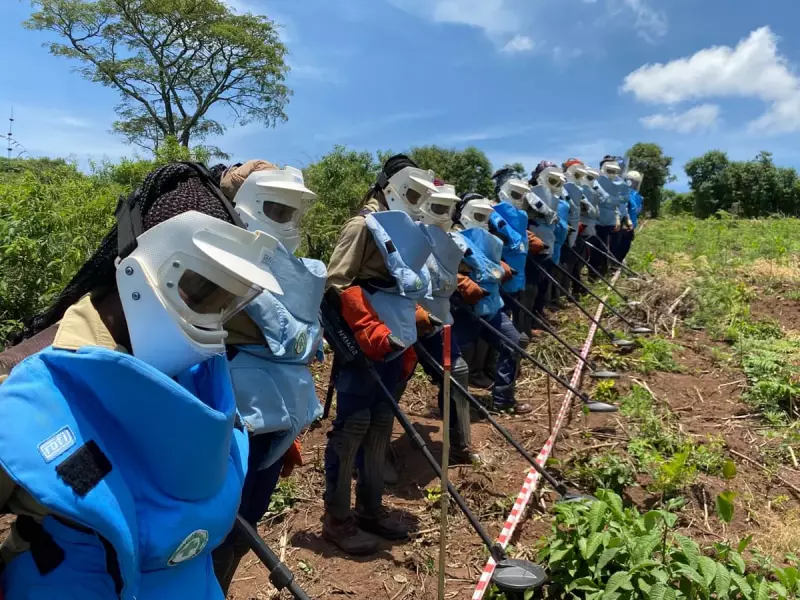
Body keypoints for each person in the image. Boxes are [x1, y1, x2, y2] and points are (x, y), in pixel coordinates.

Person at [0, 163, 284, 600]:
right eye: (202, 291)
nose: (211, 317)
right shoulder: (26, 385)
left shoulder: (199, 372)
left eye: (225, 301)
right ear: (141, 268)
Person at [212, 160, 327, 592]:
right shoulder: (215, 251)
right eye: (279, 208)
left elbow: (301, 348)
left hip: (280, 407)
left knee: (251, 514)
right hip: (232, 409)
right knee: (219, 523)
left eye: (293, 210)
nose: (289, 220)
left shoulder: (291, 265)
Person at [322, 154, 434, 555]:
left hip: (398, 338)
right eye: (412, 191)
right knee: (352, 427)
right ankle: (337, 519)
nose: (417, 200)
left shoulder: (407, 230)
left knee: (380, 427)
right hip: (365, 340)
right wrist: (367, 327)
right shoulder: (361, 226)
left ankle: (370, 509)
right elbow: (336, 280)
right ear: (391, 186)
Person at [411, 180, 481, 464]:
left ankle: (460, 444)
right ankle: (375, 457)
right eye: (437, 205)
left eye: (447, 206)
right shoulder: (408, 232)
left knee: (458, 373)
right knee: (391, 388)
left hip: (439, 322)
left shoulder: (454, 239)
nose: (442, 211)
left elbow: (470, 264)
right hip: (405, 320)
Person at [450, 193, 533, 415]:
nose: (483, 220)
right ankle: (454, 410)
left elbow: (492, 260)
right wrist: (462, 281)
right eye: (478, 215)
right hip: (463, 311)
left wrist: (501, 265)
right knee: (458, 363)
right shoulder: (452, 237)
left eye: (486, 216)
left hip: (492, 306)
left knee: (513, 343)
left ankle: (503, 400)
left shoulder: (488, 237)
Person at [489, 168, 531, 343]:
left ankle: (516, 339)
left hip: (519, 272)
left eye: (522, 194)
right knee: (501, 314)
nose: (519, 198)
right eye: (516, 193)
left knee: (515, 307)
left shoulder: (522, 215)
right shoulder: (493, 212)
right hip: (502, 273)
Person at [527, 162, 562, 320]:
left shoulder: (553, 197)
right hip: (534, 246)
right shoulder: (529, 193)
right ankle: (531, 318)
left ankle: (539, 311)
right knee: (532, 285)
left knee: (543, 283)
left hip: (549, 243)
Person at [563, 160, 598, 296]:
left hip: (581, 230)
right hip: (567, 230)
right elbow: (569, 206)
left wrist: (586, 207)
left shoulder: (580, 190)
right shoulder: (564, 187)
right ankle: (570, 290)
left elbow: (592, 211)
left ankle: (576, 288)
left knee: (577, 261)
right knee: (569, 262)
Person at [618, 170, 644, 261]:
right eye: (633, 182)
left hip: (631, 225)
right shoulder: (623, 192)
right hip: (624, 225)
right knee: (620, 246)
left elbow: (637, 211)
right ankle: (615, 264)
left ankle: (617, 263)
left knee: (625, 246)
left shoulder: (638, 197)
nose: (634, 185)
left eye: (636, 183)